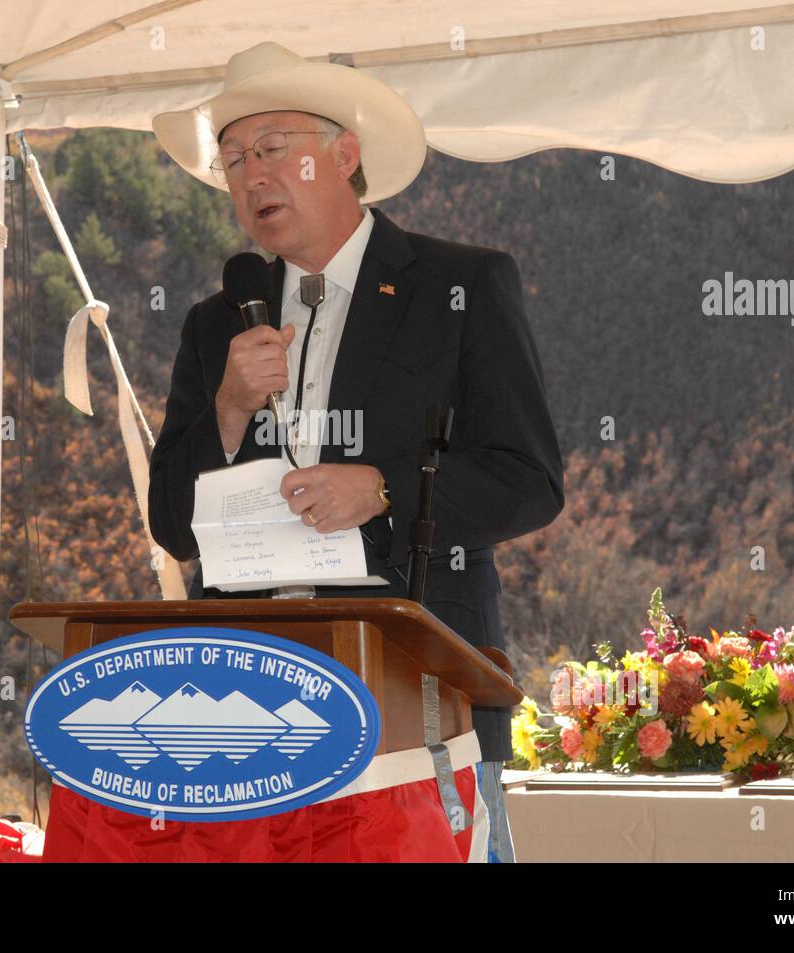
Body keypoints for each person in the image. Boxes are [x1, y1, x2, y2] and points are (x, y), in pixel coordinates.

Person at [148, 42, 564, 862]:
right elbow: (173, 525)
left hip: (418, 711)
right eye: (232, 160)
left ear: (344, 154)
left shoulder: (460, 288)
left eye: (272, 149)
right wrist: (228, 408)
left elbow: (529, 481)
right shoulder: (215, 325)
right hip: (254, 717)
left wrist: (381, 489)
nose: (250, 176)